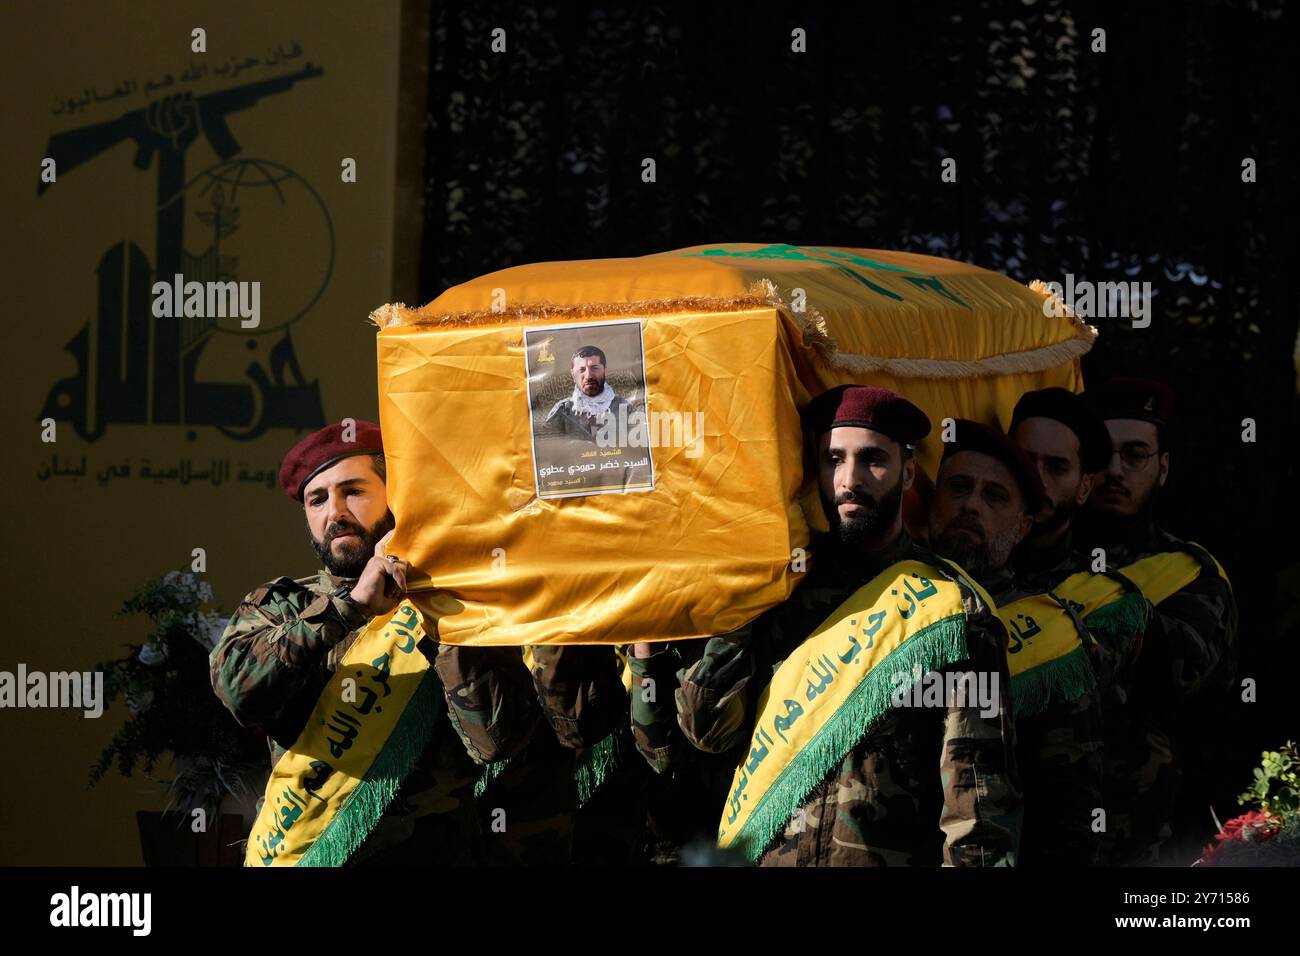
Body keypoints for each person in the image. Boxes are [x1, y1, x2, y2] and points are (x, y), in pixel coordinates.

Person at [677, 385, 1021, 866]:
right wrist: (737, 610)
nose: (849, 479)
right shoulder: (778, 587)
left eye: (873, 460)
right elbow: (705, 730)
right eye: (833, 459)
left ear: (908, 472)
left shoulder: (950, 607)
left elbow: (977, 804)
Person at [210, 420, 539, 864]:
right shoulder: (283, 606)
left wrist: (436, 613)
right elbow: (237, 690)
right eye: (318, 499)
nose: (335, 512)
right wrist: (352, 606)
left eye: (354, 491)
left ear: (394, 493)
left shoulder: (456, 597)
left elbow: (497, 740)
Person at [928, 419, 1105, 865]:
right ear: (931, 503)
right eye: (958, 487)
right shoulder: (879, 603)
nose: (971, 505)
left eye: (994, 496)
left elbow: (1066, 811)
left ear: (1022, 527)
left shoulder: (1049, 631)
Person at [1077, 378, 1238, 865]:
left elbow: (1181, 676)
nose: (1114, 471)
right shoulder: (1036, 558)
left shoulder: (1190, 574)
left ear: (1163, 468)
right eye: (1102, 455)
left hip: (1146, 836)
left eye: (1136, 455)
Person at [543, 345, 635, 441]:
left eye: (594, 368)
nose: (588, 376)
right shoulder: (562, 411)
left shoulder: (625, 408)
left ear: (605, 371)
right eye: (582, 370)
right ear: (573, 375)